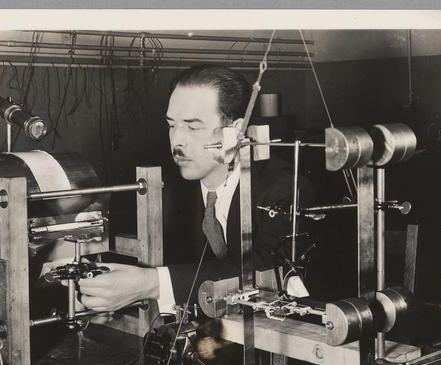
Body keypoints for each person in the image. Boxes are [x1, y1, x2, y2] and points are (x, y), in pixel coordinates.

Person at [77, 65, 313, 314]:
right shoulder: (163, 190)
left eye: (192, 127)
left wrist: (151, 284)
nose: (177, 140)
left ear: (236, 131)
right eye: (171, 125)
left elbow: (273, 266)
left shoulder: (286, 186)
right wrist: (99, 294)